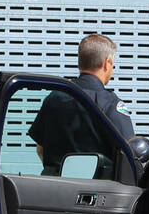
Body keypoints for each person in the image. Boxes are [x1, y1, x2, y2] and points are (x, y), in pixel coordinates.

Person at [29, 34, 135, 175]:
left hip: (53, 189)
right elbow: (129, 156)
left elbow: (40, 148)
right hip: (96, 191)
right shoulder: (111, 104)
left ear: (81, 61)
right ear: (107, 63)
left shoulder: (54, 97)